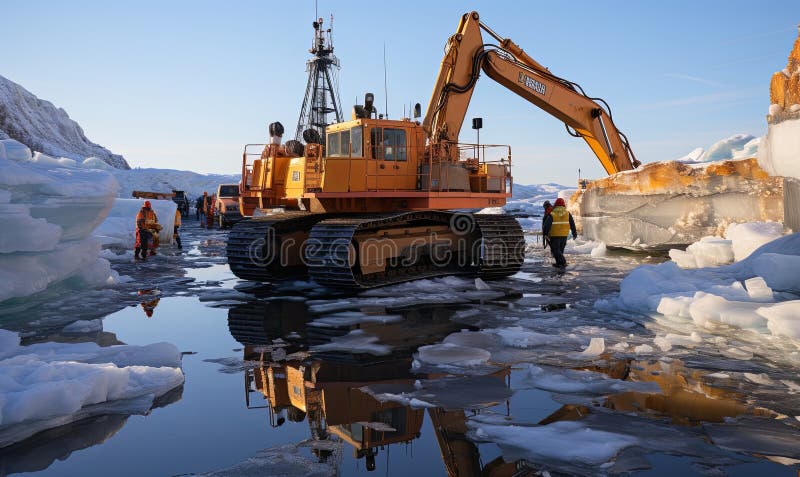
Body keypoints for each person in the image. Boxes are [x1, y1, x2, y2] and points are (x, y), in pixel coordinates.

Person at [542, 197, 577, 268]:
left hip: (555, 234)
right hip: (564, 234)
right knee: (560, 250)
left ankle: (563, 262)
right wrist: (574, 233)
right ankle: (559, 264)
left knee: (555, 250)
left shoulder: (552, 213)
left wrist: (545, 233)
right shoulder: (567, 213)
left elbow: (547, 224)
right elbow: (572, 223)